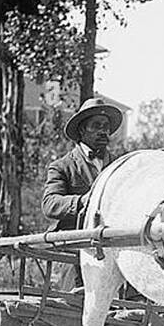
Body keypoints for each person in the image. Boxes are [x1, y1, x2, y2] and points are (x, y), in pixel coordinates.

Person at [42, 98, 124, 231]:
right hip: (73, 241)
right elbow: (50, 204)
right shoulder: (62, 167)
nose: (103, 131)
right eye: (96, 126)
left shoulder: (119, 166)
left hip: (111, 237)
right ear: (82, 130)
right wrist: (82, 201)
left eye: (106, 127)